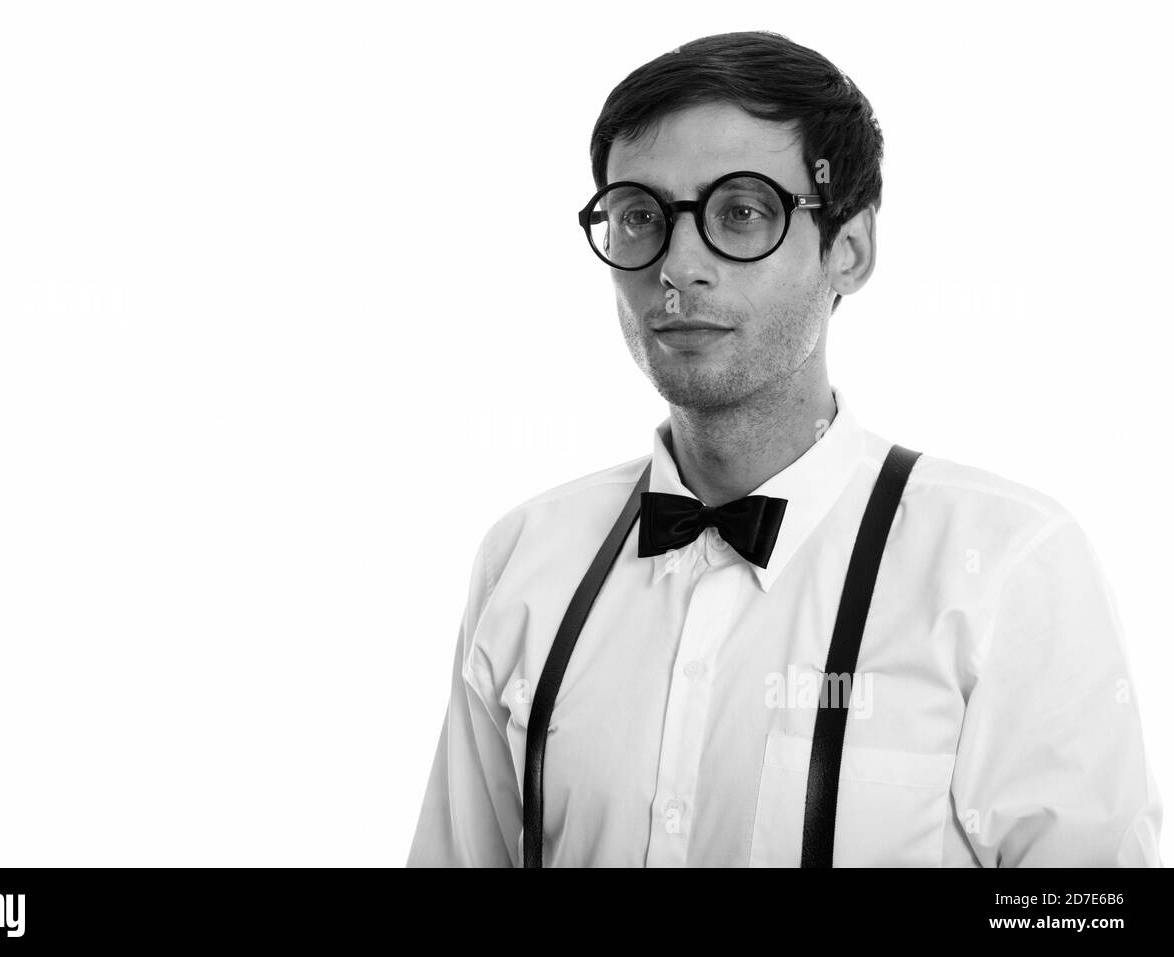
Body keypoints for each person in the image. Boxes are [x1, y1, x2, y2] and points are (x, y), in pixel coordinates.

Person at [405, 31, 1163, 867]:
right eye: (639, 217)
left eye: (741, 212)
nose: (678, 266)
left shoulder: (1005, 564)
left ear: (850, 248)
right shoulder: (525, 559)